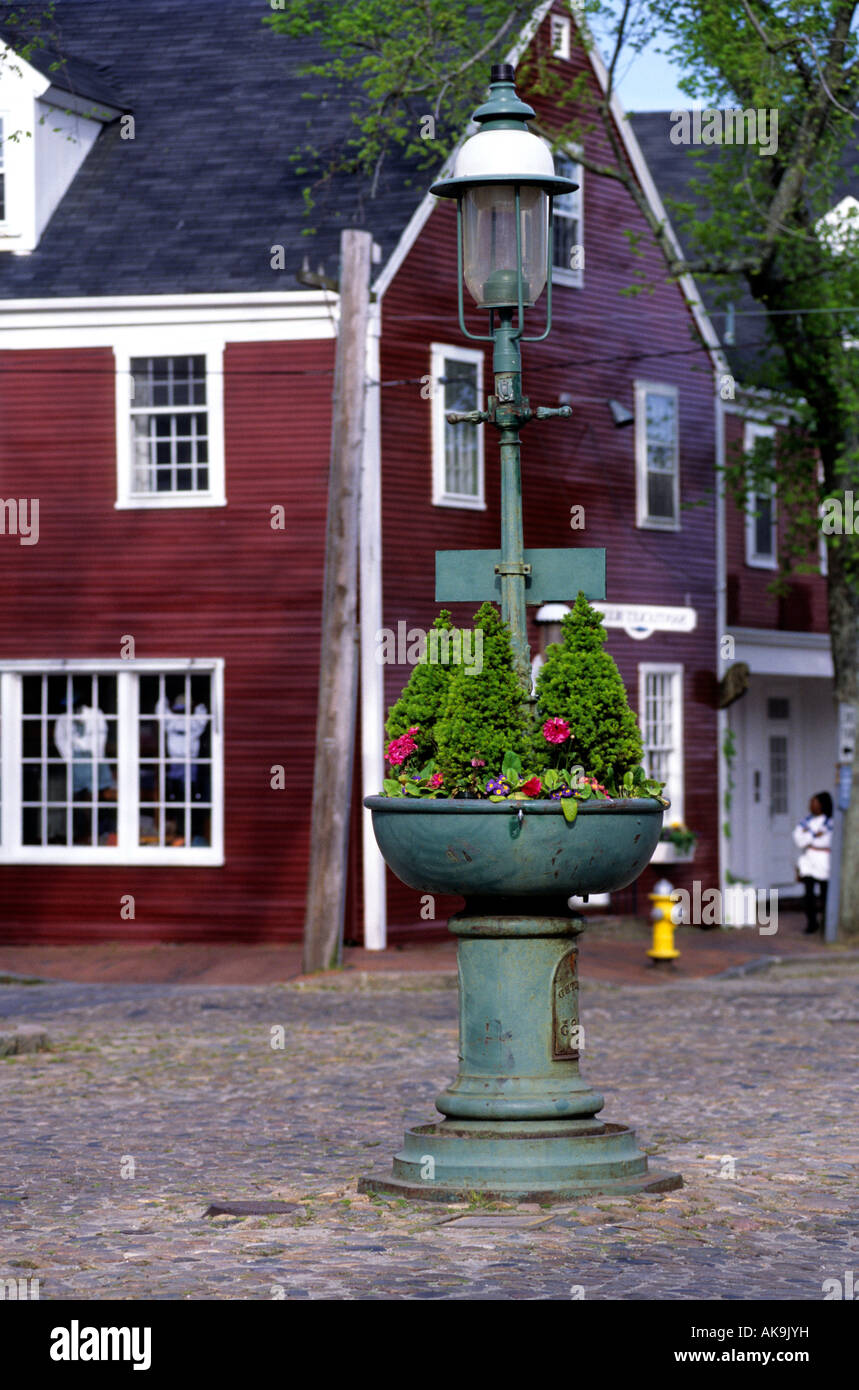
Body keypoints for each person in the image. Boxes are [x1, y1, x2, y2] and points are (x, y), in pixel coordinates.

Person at [792, 791, 833, 934]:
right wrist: (814, 835)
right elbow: (799, 840)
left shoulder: (830, 822)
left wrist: (808, 835)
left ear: (822, 805)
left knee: (825, 894)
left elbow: (827, 840)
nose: (810, 806)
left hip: (824, 860)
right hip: (809, 860)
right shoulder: (806, 821)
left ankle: (827, 923)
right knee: (808, 894)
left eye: (814, 802)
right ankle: (812, 923)